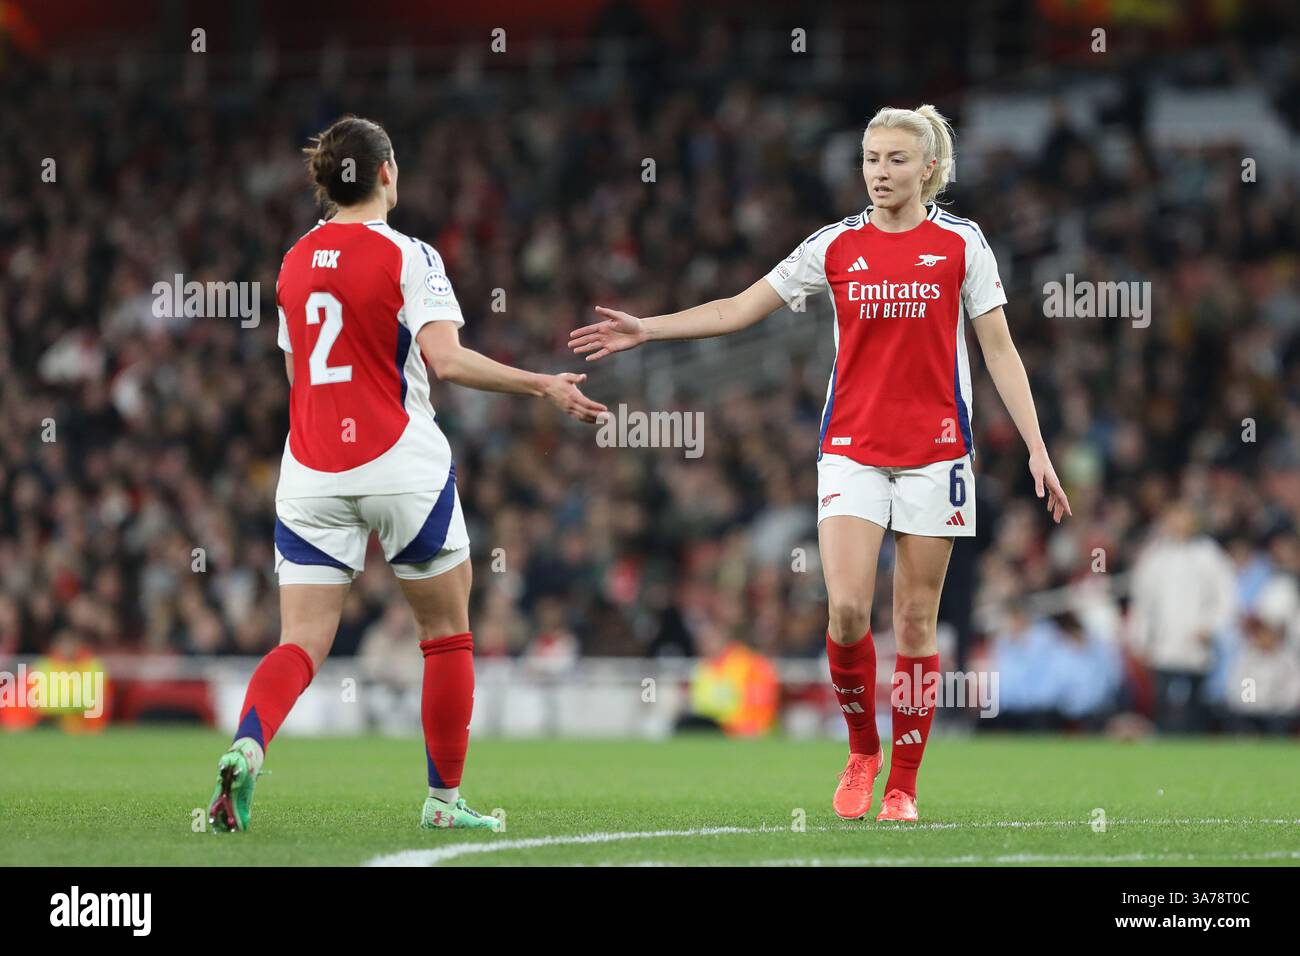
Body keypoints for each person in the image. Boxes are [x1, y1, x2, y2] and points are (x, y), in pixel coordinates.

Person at [570, 105, 1070, 822]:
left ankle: (904, 784)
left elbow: (999, 350)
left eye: (896, 159)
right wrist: (648, 327)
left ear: (927, 168)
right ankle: (863, 748)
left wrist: (1037, 448)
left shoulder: (962, 244)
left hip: (937, 454)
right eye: (870, 158)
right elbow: (740, 309)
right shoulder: (834, 246)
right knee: (843, 611)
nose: (879, 172)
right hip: (851, 451)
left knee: (917, 625)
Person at [206, 116, 607, 832]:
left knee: (299, 642)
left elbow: (299, 374)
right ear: (387, 173)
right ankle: (444, 804)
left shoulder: (294, 262)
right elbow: (447, 360)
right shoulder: (410, 256)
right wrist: (542, 385)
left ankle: (248, 746)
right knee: (446, 635)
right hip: (399, 464)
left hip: (310, 470)